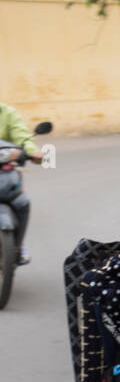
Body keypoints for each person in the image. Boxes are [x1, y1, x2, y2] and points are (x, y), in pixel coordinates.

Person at [0, 101, 41, 265]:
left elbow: (23, 137)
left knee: (21, 202)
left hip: (3, 170)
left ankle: (17, 244)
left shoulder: (6, 112)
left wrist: (33, 152)